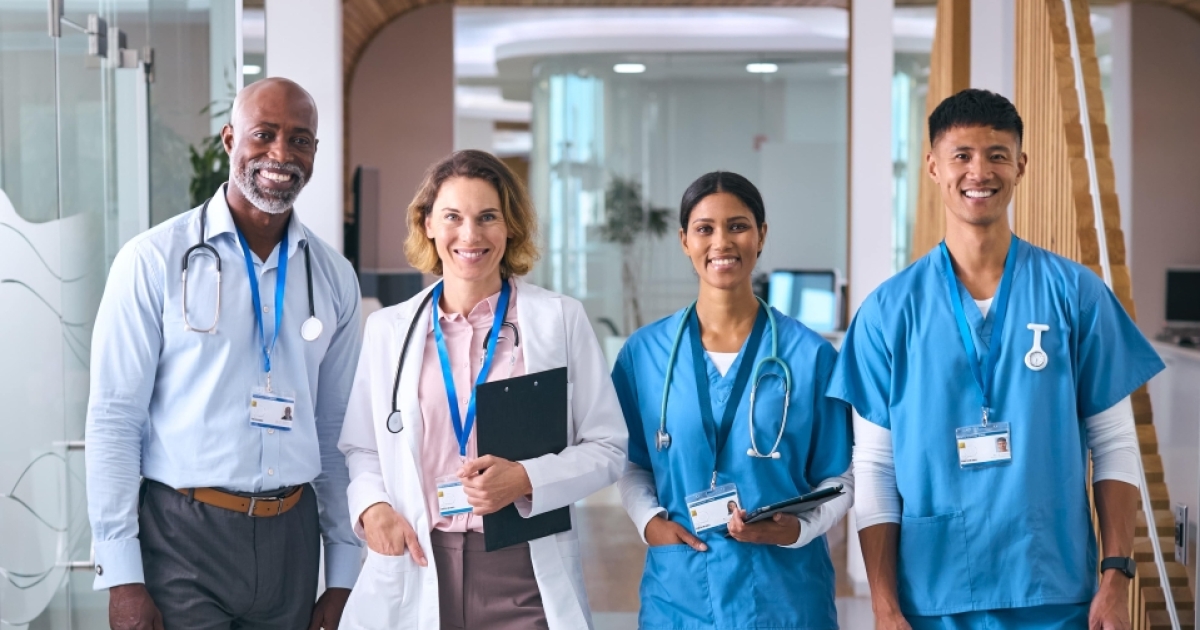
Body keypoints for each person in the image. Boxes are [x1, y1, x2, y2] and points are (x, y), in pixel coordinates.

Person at [829, 89, 1164, 629]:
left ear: (1020, 165)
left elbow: (1115, 444)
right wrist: (884, 605)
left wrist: (1116, 577)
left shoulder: (1076, 295)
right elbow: (874, 466)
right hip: (931, 595)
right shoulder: (889, 312)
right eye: (961, 154)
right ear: (934, 167)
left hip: (1053, 589)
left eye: (997, 154)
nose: (978, 171)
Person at [86, 78, 363, 629]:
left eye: (300, 140)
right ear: (230, 138)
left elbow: (340, 433)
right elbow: (115, 420)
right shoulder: (153, 261)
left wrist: (342, 579)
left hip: (292, 538)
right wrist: (122, 577)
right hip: (183, 536)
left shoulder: (333, 277)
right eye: (264, 135)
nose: (281, 154)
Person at [337, 150, 628, 629]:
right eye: (452, 216)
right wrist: (371, 507)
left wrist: (526, 479)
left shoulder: (558, 319)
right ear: (427, 224)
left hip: (523, 572)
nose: (470, 235)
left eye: (487, 217)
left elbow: (608, 447)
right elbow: (362, 445)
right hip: (417, 561)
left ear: (510, 226)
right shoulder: (389, 329)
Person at [613, 171, 853, 630]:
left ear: (761, 235)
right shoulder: (645, 355)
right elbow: (627, 461)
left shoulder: (809, 355)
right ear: (684, 240)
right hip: (680, 591)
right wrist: (648, 522)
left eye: (738, 226)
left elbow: (840, 474)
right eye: (705, 228)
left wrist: (802, 529)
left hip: (784, 593)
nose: (721, 241)